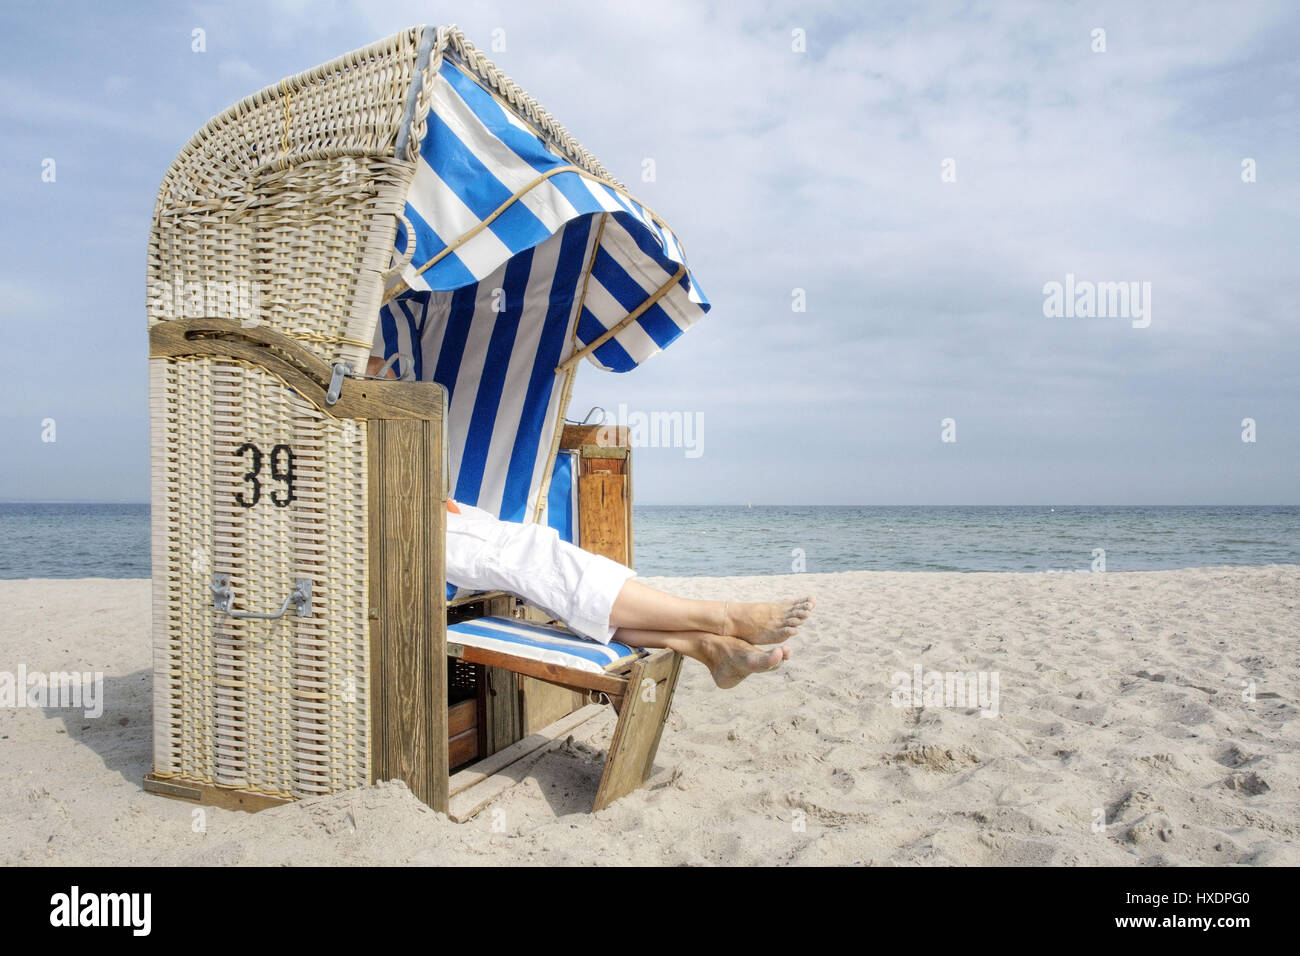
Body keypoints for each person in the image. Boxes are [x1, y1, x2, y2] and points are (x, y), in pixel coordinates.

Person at [366, 356, 816, 688]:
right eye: (382, 373)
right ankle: (723, 619)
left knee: (539, 563)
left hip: (427, 511)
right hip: (395, 526)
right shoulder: (326, 417)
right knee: (533, 554)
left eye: (389, 372)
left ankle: (705, 646)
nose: (390, 377)